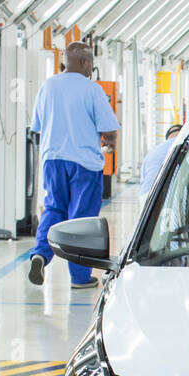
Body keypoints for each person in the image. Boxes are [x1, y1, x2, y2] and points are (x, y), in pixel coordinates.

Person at [28, 41, 119, 290]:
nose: (91, 68)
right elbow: (109, 128)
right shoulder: (92, 89)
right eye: (90, 63)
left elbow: (37, 125)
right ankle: (79, 277)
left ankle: (40, 255)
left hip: (53, 161)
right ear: (84, 62)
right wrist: (110, 144)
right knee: (82, 218)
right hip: (84, 164)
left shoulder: (47, 86)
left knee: (54, 209)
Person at [139, 124, 182, 198]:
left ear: (168, 137)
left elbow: (143, 179)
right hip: (169, 198)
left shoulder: (152, 152)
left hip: (146, 195)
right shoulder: (185, 147)